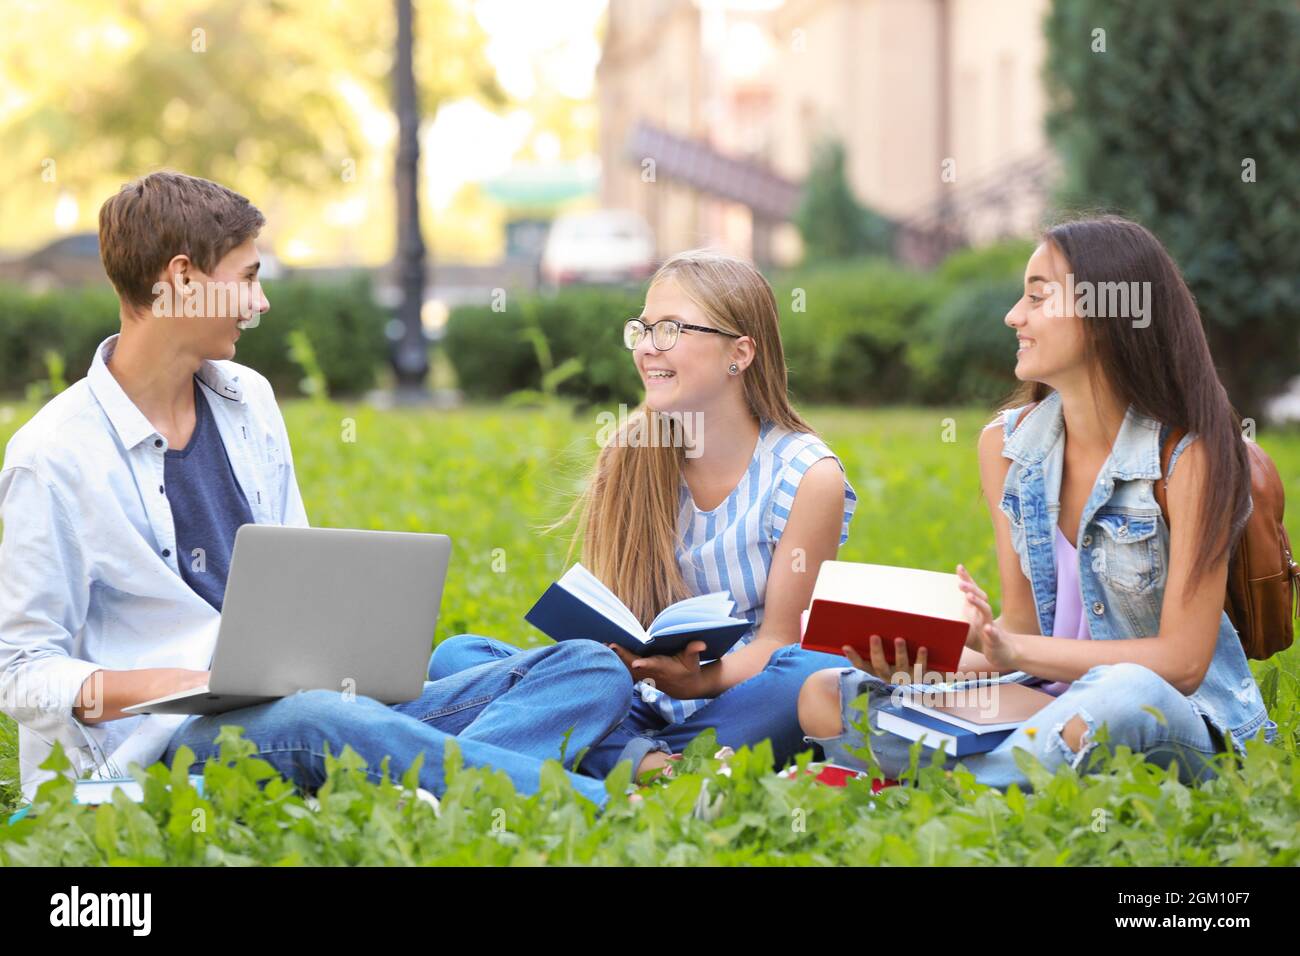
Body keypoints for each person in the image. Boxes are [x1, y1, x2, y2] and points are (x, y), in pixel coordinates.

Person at [0, 170, 622, 808]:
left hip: (303, 704)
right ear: (183, 279)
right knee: (327, 720)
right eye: (247, 277)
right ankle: (588, 803)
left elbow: (295, 584)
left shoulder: (249, 402)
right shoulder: (53, 457)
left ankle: (411, 787)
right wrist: (173, 682)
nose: (261, 302)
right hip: (169, 740)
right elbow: (20, 672)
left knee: (587, 669)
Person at [798, 216, 1278, 788]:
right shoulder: (1006, 447)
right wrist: (922, 660)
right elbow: (1019, 628)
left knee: (1121, 694)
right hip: (1047, 709)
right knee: (827, 694)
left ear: (1104, 317)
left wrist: (1013, 651)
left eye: (1037, 297)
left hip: (1179, 719)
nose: (1013, 316)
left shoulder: (1188, 454)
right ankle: (1002, 776)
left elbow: (1182, 662)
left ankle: (939, 788)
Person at [431, 250, 857, 781]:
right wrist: (615, 660)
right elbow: (610, 621)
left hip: (732, 708)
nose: (648, 348)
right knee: (461, 655)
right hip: (627, 702)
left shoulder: (806, 475)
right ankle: (653, 765)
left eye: (671, 329)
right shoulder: (630, 452)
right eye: (644, 328)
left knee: (815, 672)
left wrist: (699, 682)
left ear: (740, 353)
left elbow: (780, 641)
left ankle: (607, 757)